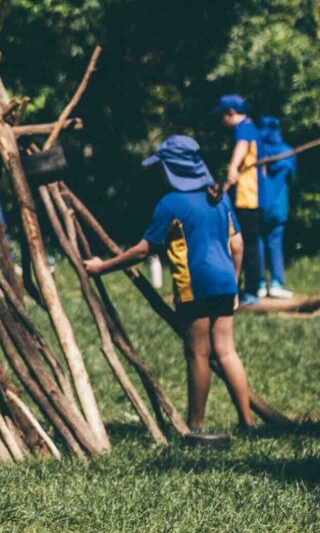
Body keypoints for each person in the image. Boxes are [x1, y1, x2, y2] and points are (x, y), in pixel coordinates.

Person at [83, 135, 255, 433]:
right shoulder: (219, 198)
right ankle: (247, 422)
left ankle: (196, 426)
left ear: (172, 169)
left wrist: (102, 267)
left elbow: (142, 251)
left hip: (196, 285)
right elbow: (237, 245)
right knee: (226, 351)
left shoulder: (171, 204)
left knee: (198, 353)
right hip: (225, 281)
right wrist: (235, 284)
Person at [214, 94, 265, 306]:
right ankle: (250, 288)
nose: (221, 121)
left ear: (231, 113)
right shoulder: (254, 128)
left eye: (222, 116)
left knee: (247, 244)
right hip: (253, 196)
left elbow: (242, 146)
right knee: (250, 243)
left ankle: (250, 291)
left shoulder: (244, 129)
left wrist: (232, 168)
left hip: (247, 197)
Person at [257, 116, 297, 299]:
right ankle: (276, 283)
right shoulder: (287, 152)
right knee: (275, 243)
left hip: (257, 203)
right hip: (278, 204)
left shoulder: (257, 151)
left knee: (257, 243)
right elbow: (292, 178)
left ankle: (258, 283)